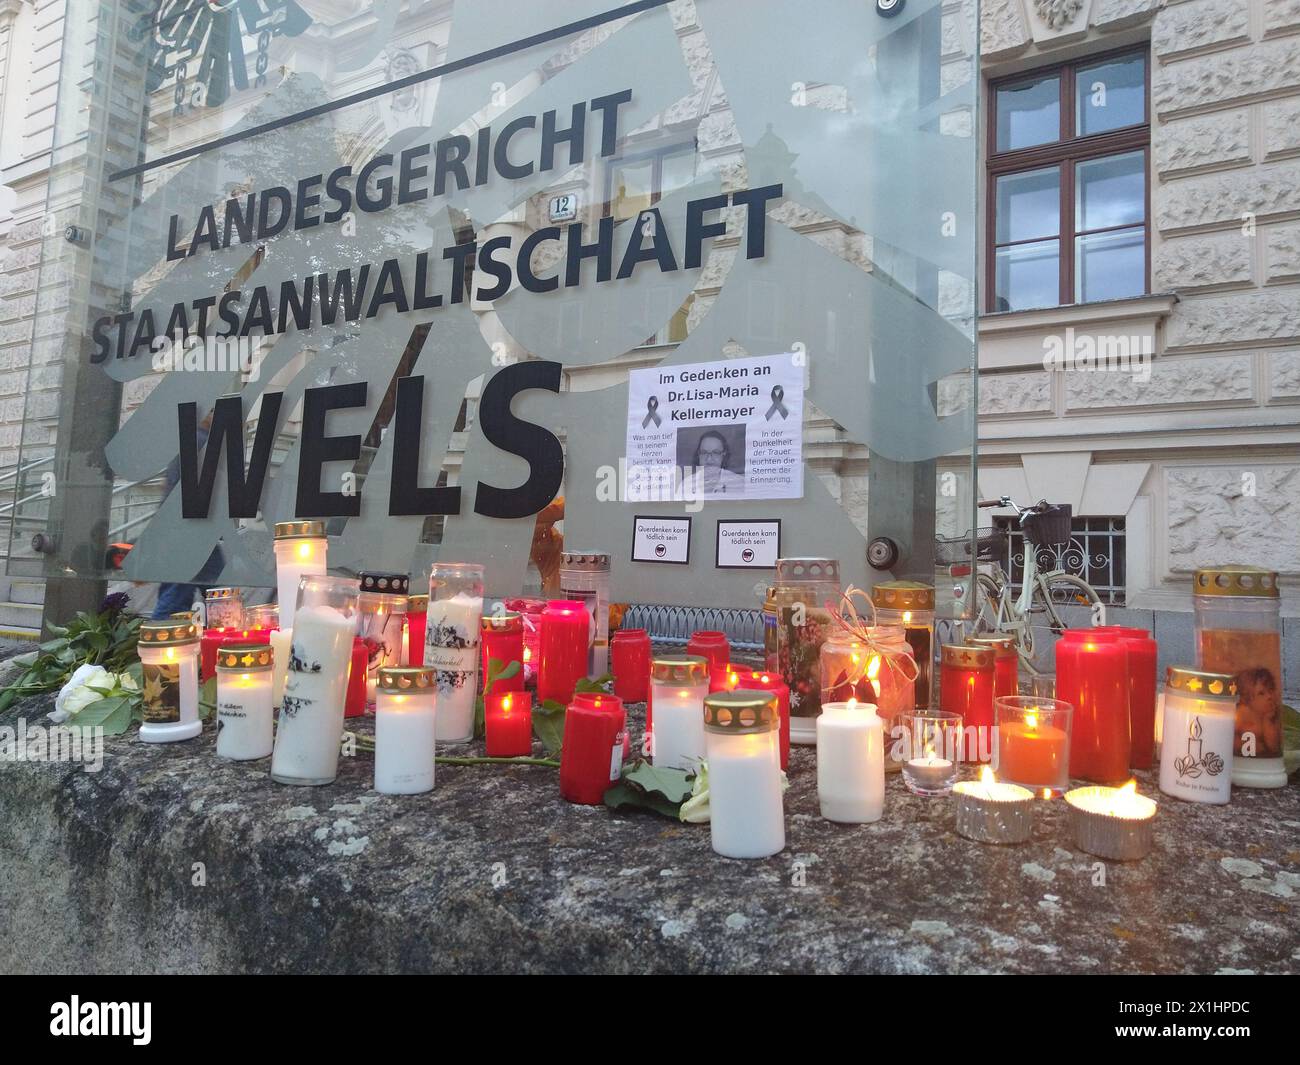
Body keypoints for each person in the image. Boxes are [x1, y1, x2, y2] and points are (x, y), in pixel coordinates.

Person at [685, 429, 745, 496]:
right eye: (704, 452)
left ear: (724, 455)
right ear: (698, 455)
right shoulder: (686, 484)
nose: (709, 459)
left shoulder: (739, 483)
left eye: (716, 452)